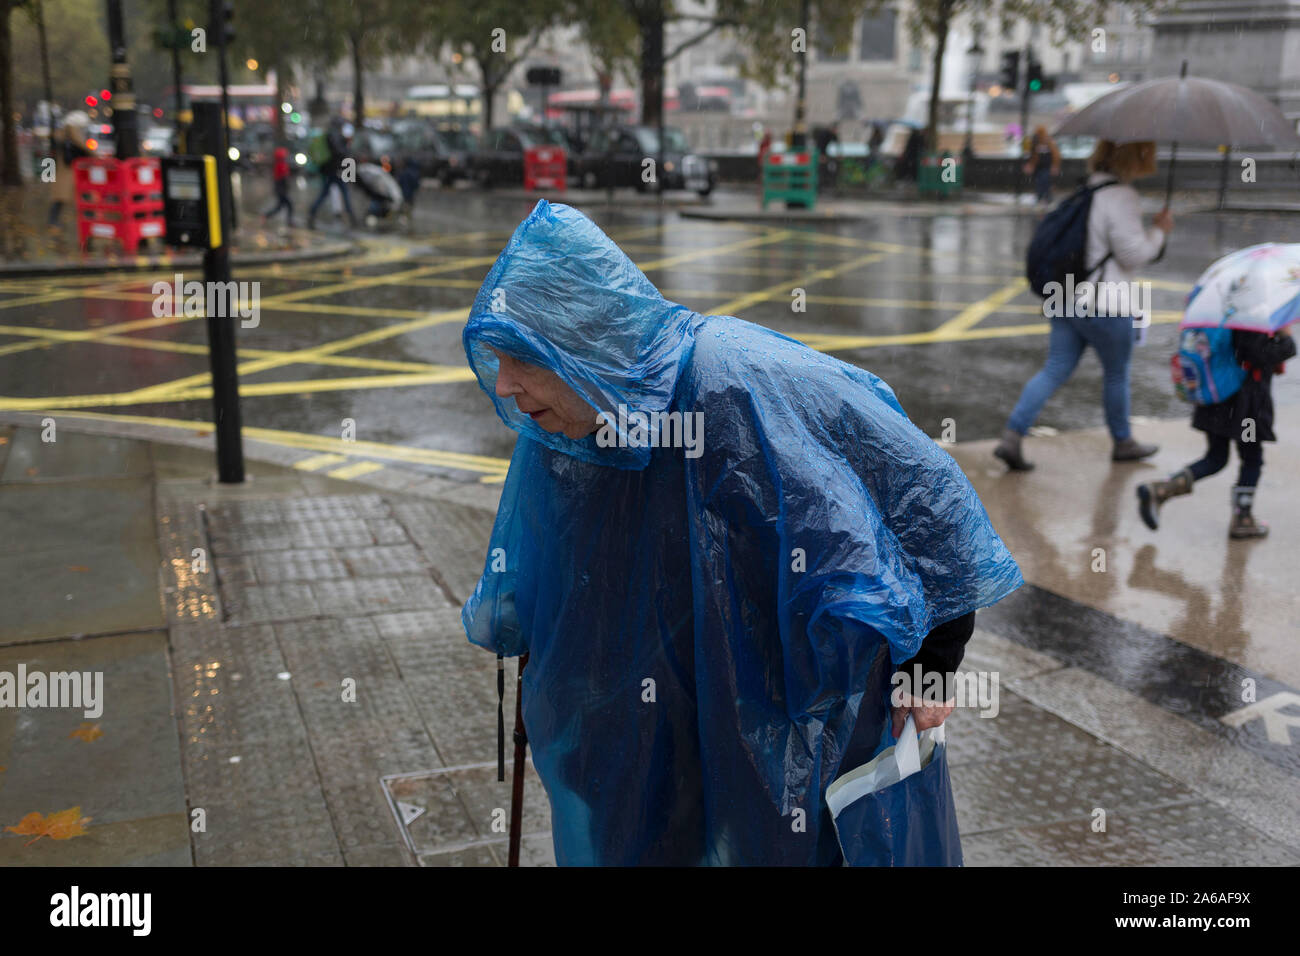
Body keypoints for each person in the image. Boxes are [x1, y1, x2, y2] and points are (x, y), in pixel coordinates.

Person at [461, 200, 1023, 866]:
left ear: (583, 346)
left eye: (521, 361)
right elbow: (535, 559)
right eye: (498, 360)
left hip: (780, 731)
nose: (504, 387)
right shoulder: (562, 424)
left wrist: (928, 674)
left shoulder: (747, 388)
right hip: (638, 732)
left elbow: (933, 519)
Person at [995, 139, 1172, 471]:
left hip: (1066, 297)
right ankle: (1123, 442)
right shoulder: (1121, 196)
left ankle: (1011, 437)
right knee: (1116, 375)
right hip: (1105, 303)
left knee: (1053, 369)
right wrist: (1159, 232)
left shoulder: (1084, 191)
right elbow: (1133, 255)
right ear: (1135, 158)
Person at [1137, 326, 1294, 538]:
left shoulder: (1222, 307)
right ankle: (1243, 519)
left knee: (1216, 457)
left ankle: (1162, 490)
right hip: (1246, 408)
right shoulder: (1250, 315)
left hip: (1216, 397)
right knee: (1251, 458)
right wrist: (1286, 338)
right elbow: (1256, 354)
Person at [307, 117, 357, 229]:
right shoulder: (333, 136)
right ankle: (352, 216)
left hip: (331, 170)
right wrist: (347, 150)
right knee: (344, 193)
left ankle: (312, 211)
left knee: (326, 193)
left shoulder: (331, 135)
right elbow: (338, 152)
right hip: (335, 170)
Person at [1022, 126, 1060, 206]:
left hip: (1045, 167)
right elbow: (1031, 155)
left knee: (1043, 181)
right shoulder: (1036, 142)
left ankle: (1044, 197)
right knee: (1041, 182)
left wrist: (1054, 166)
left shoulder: (1048, 143)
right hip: (1039, 167)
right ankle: (1043, 197)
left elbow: (1055, 155)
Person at [261, 146, 293, 228]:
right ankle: (289, 221)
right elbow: (283, 178)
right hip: (282, 191)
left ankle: (266, 216)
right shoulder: (281, 165)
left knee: (279, 207)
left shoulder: (279, 164)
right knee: (288, 205)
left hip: (281, 190)